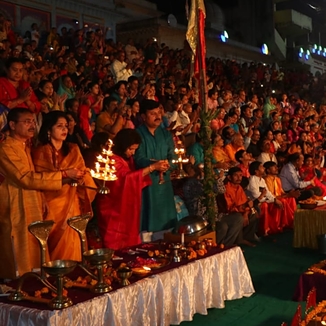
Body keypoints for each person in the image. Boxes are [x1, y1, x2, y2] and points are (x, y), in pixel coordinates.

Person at [0, 108, 83, 279]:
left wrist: (40, 197)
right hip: (15, 205)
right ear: (12, 125)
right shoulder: (6, 148)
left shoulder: (24, 146)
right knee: (18, 246)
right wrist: (64, 175)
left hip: (33, 204)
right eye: (27, 122)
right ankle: (16, 287)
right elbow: (25, 178)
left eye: (33, 121)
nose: (32, 125)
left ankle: (34, 282)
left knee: (33, 246)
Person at [32, 111, 97, 261]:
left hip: (73, 201)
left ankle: (74, 273)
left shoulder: (73, 148)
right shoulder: (40, 152)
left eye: (66, 126)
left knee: (72, 236)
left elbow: (84, 170)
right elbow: (40, 179)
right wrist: (66, 175)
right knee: (54, 243)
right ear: (49, 129)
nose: (64, 130)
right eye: (59, 126)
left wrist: (81, 178)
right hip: (52, 204)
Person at [97, 129, 167, 249]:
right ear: (122, 145)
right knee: (113, 243)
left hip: (125, 208)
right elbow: (126, 179)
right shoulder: (110, 159)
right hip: (113, 209)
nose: (133, 153)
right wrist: (152, 167)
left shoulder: (125, 159)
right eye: (131, 149)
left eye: (135, 149)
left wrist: (154, 165)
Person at [134, 99, 177, 240]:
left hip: (165, 182)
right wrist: (154, 165)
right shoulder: (137, 134)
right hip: (147, 183)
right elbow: (138, 158)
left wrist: (167, 164)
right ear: (143, 116)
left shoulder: (165, 134)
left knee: (167, 219)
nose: (157, 116)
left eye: (158, 113)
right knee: (149, 215)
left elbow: (173, 156)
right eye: (153, 114)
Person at [247, 161, 291, 236]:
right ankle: (263, 230)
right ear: (256, 171)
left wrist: (275, 200)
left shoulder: (262, 180)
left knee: (279, 202)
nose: (264, 168)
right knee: (265, 205)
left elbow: (268, 193)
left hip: (263, 200)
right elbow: (256, 197)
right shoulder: (252, 180)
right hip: (254, 203)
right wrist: (273, 200)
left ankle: (276, 227)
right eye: (261, 167)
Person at [224, 167, 259, 247]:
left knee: (254, 213)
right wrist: (243, 210)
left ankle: (243, 238)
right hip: (229, 213)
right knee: (239, 217)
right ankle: (233, 243)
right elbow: (229, 207)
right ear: (229, 177)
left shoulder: (239, 188)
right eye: (236, 175)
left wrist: (246, 213)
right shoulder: (226, 188)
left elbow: (245, 202)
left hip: (240, 211)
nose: (239, 178)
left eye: (240, 175)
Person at [263, 161, 298, 231]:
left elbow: (281, 192)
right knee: (284, 200)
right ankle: (286, 223)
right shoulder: (267, 179)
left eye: (276, 166)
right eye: (274, 167)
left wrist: (290, 194)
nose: (277, 168)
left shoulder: (277, 179)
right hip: (271, 200)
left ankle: (292, 221)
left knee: (291, 198)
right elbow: (271, 196)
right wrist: (286, 195)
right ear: (268, 170)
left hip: (279, 198)